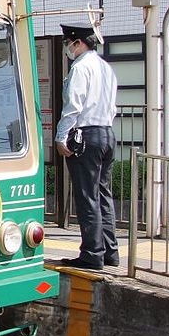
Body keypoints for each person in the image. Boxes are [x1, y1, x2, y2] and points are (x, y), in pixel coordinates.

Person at [55, 24, 119, 270]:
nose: (67, 48)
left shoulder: (80, 67)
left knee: (86, 196)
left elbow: (73, 106)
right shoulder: (106, 67)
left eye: (68, 43)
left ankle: (92, 254)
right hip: (107, 133)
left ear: (78, 43)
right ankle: (109, 252)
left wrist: (62, 137)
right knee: (103, 194)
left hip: (85, 135)